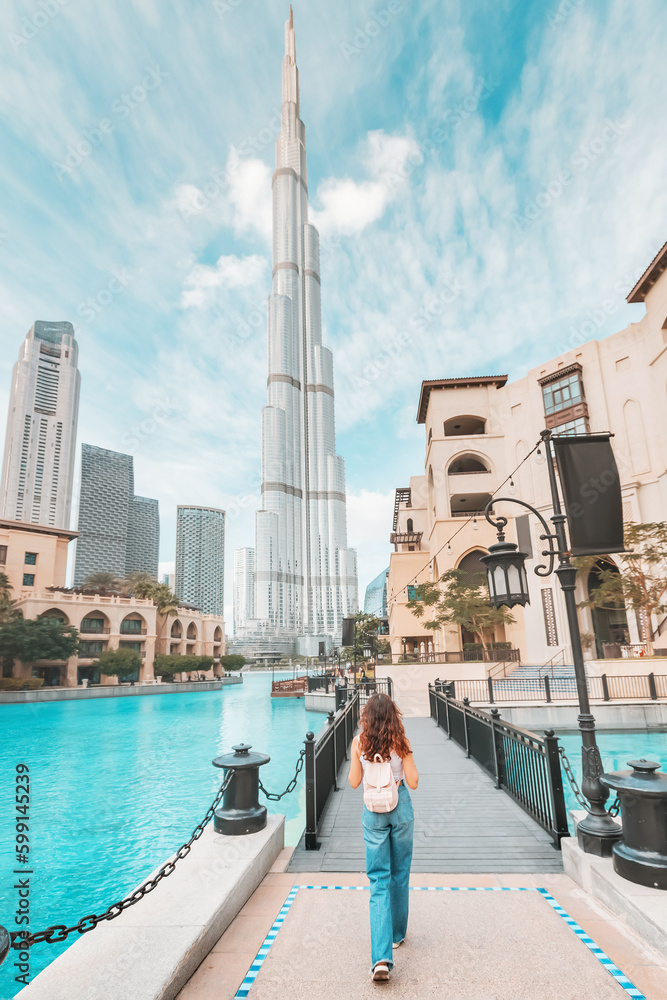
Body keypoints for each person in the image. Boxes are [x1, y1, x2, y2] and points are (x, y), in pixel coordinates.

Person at [348, 692, 418, 981]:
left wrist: (367, 767)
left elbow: (353, 782)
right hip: (400, 808)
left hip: (373, 813)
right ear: (393, 715)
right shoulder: (401, 743)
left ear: (367, 716)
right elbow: (413, 782)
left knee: (378, 880)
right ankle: (397, 935)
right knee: (399, 874)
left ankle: (381, 960)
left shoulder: (358, 743)